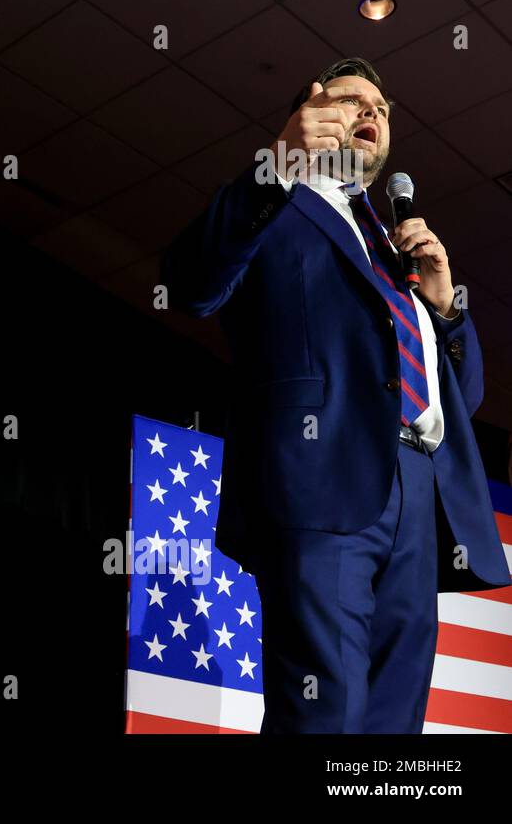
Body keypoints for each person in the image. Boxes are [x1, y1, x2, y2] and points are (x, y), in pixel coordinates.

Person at [161, 56, 511, 733]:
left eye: (382, 109)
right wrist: (278, 161)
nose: (372, 114)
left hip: (419, 494)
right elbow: (190, 283)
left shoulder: (393, 249)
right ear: (307, 114)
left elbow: (462, 402)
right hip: (321, 485)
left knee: (391, 729)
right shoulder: (276, 204)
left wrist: (442, 311)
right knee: (324, 715)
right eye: (353, 101)